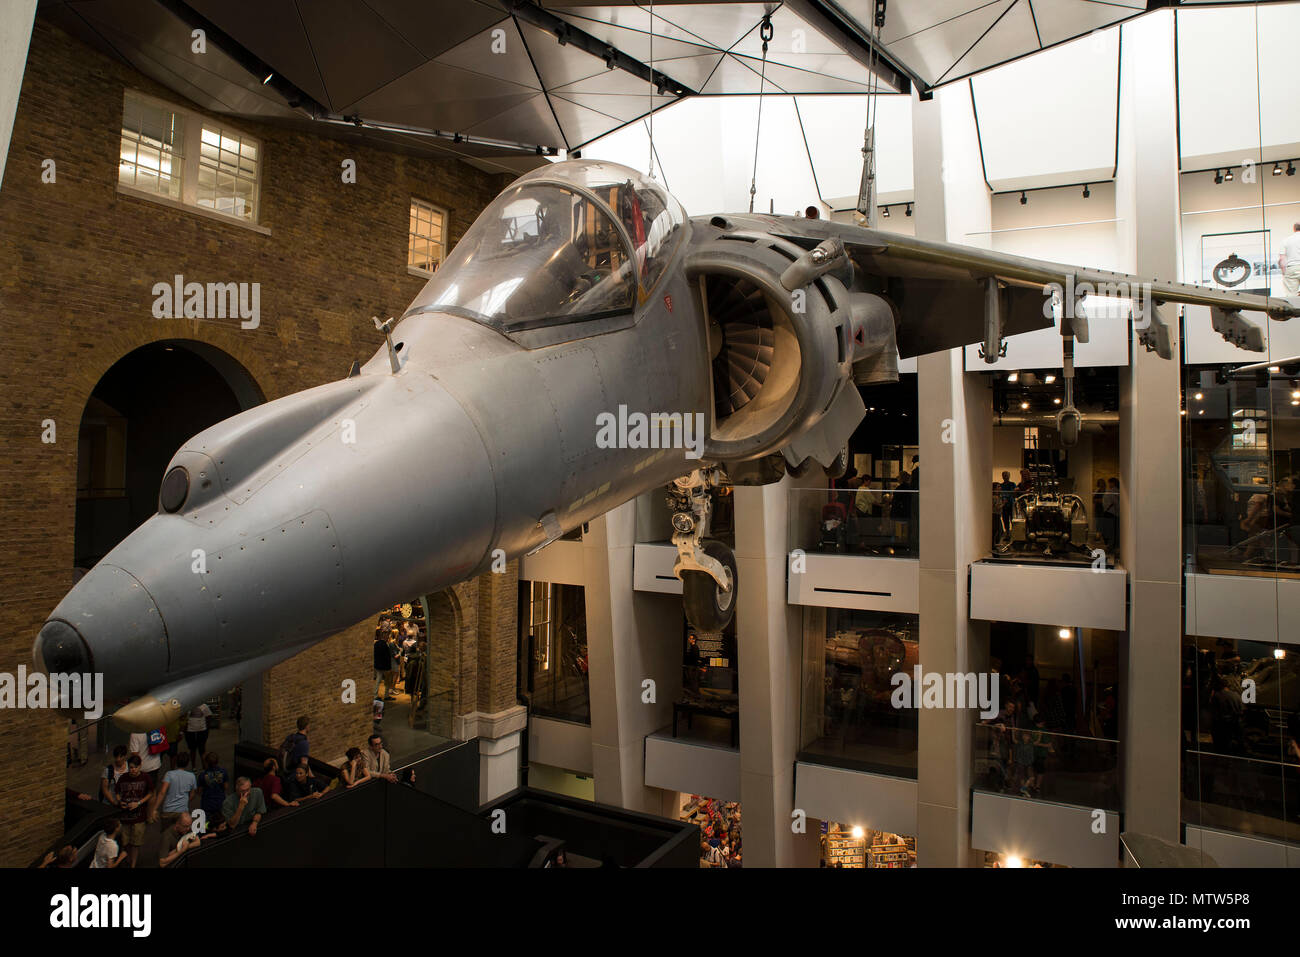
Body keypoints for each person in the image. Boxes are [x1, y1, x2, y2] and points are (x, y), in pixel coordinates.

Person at [116, 753, 154, 867]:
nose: (133, 770)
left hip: (139, 816)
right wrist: (120, 801)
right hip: (125, 817)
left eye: (135, 767)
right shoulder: (123, 778)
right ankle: (127, 858)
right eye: (131, 767)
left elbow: (151, 793)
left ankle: (133, 864)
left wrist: (138, 803)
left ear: (140, 766)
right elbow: (117, 792)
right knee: (125, 841)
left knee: (136, 843)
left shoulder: (145, 777)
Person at [151, 750, 197, 833]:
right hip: (182, 811)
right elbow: (193, 794)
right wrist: (185, 801)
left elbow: (162, 793)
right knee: (181, 835)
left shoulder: (169, 774)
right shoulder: (192, 776)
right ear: (187, 763)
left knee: (166, 834)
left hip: (168, 811)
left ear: (176, 762)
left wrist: (154, 809)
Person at [195, 751, 229, 825]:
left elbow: (199, 792)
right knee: (220, 821)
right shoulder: (223, 772)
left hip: (207, 803)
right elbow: (226, 787)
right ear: (217, 761)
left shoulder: (202, 775)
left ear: (206, 762)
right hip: (220, 802)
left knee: (207, 823)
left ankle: (207, 834)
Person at [1279, 222, 1300, 295]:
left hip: (1292, 268)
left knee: (1291, 295)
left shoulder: (1286, 240)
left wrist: (1284, 272)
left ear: (1294, 229)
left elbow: (1282, 259)